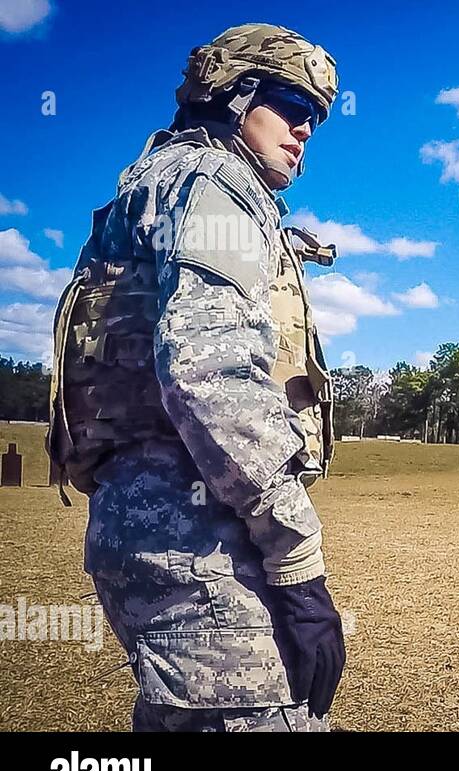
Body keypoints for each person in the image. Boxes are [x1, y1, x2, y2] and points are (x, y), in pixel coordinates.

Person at [47, 23, 345, 731]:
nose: (305, 129)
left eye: (316, 117)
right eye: (290, 103)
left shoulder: (157, 181)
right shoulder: (216, 182)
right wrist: (300, 565)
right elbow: (210, 374)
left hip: (152, 528)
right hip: (199, 540)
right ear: (234, 93)